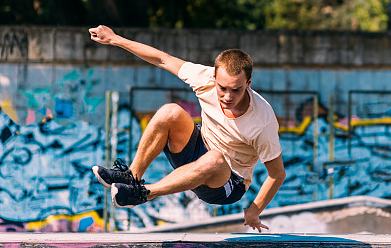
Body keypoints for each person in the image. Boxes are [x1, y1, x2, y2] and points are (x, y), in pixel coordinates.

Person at [88, 25, 285, 232]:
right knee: (170, 112)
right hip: (198, 151)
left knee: (215, 159)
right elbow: (162, 59)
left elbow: (277, 174)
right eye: (222, 88)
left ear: (248, 83)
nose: (228, 97)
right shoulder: (205, 79)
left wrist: (254, 210)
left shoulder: (262, 121)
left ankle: (144, 193)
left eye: (236, 90)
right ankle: (132, 176)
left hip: (228, 184)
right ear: (214, 78)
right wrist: (115, 39)